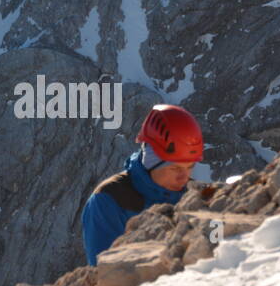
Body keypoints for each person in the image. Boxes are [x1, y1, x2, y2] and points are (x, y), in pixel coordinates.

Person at [81, 104, 204, 265]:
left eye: (190, 167)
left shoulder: (196, 195)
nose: (184, 178)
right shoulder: (110, 200)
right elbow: (104, 271)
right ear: (151, 163)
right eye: (175, 168)